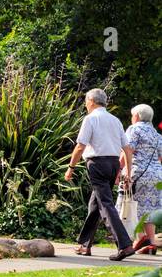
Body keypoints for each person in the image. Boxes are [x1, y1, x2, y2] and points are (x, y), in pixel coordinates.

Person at [65, 88, 134, 260]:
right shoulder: (115, 120)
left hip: (97, 164)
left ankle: (125, 245)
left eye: (86, 101)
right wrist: (127, 171)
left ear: (92, 101)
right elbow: (127, 149)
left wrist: (71, 167)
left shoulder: (90, 119)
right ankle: (84, 245)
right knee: (95, 204)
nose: (86, 104)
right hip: (113, 164)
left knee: (105, 204)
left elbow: (80, 146)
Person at [123, 104, 162, 255]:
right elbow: (160, 157)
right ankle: (151, 244)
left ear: (137, 116)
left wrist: (121, 170)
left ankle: (139, 240)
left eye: (133, 115)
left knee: (134, 207)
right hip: (156, 175)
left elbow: (127, 151)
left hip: (138, 173)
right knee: (150, 208)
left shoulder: (134, 129)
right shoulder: (157, 134)